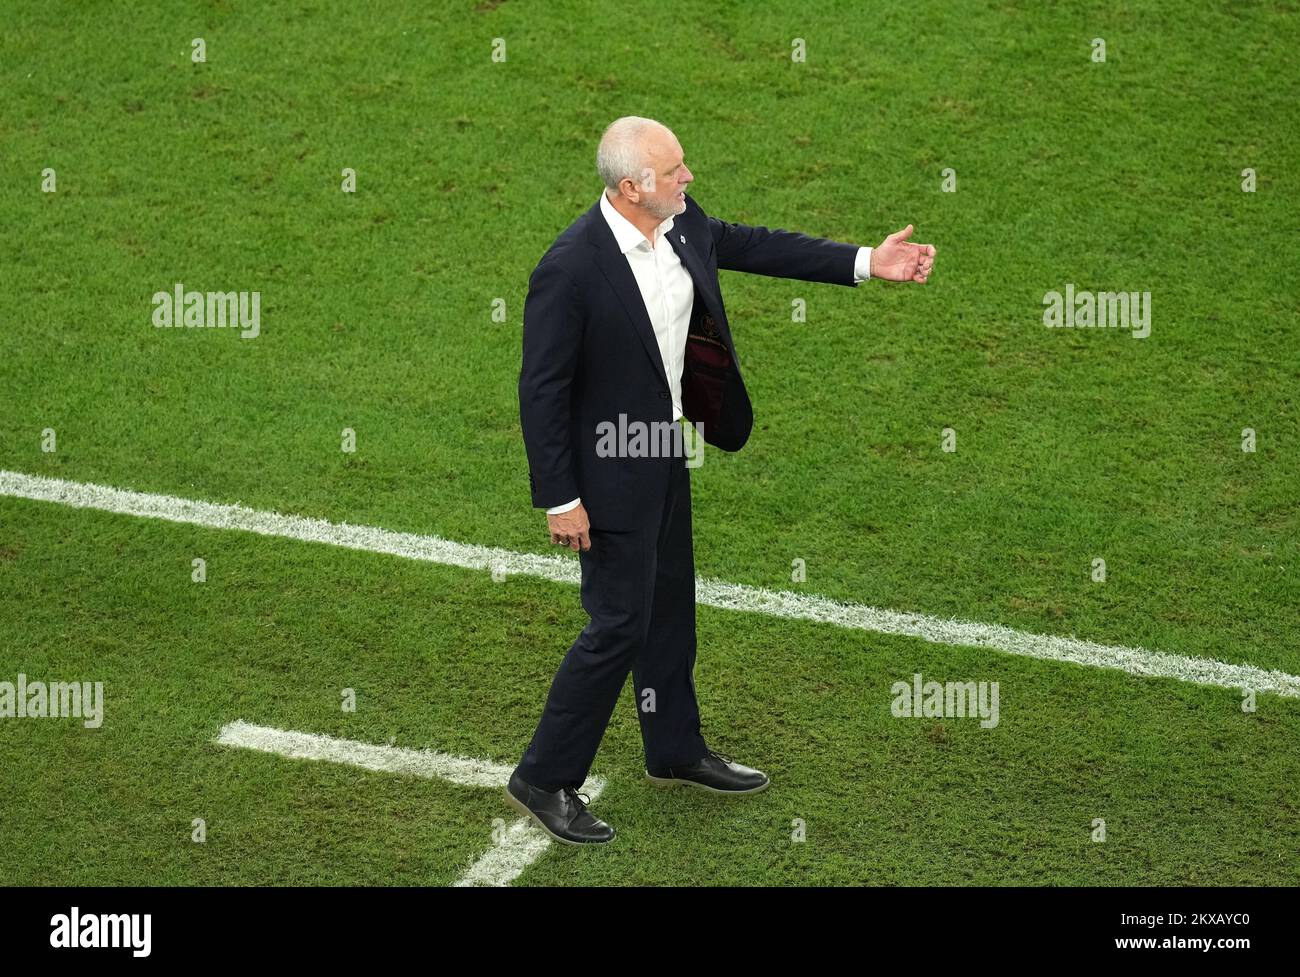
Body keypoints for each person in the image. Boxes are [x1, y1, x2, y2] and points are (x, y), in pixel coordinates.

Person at [509, 116, 936, 844]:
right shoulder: (571, 267)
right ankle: (544, 776)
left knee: (668, 610)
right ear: (631, 187)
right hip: (606, 477)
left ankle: (674, 747)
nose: (689, 178)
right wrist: (561, 497)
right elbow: (541, 389)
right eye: (675, 171)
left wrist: (867, 261)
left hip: (664, 455)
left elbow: (753, 245)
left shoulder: (681, 223)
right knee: (618, 625)